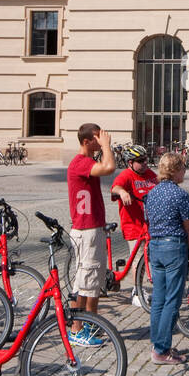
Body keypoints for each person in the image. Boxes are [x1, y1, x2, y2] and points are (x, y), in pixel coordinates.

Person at [143, 152, 189, 366]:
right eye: (183, 168)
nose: (185, 171)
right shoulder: (180, 195)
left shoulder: (151, 194)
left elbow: (148, 220)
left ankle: (157, 344)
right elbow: (188, 228)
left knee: (158, 298)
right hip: (173, 246)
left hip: (155, 246)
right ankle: (162, 350)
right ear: (175, 170)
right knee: (173, 300)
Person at [67, 123, 116, 346]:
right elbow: (109, 168)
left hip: (92, 228)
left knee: (93, 282)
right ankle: (76, 329)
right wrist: (107, 147)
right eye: (97, 138)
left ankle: (91, 324)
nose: (101, 141)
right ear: (86, 141)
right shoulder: (80, 163)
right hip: (85, 230)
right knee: (83, 283)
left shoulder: (87, 162)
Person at [110, 144, 158, 241]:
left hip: (152, 227)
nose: (145, 163)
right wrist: (122, 192)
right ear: (130, 163)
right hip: (134, 228)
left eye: (146, 159)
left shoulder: (149, 173)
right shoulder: (126, 175)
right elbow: (115, 188)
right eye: (140, 161)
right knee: (139, 256)